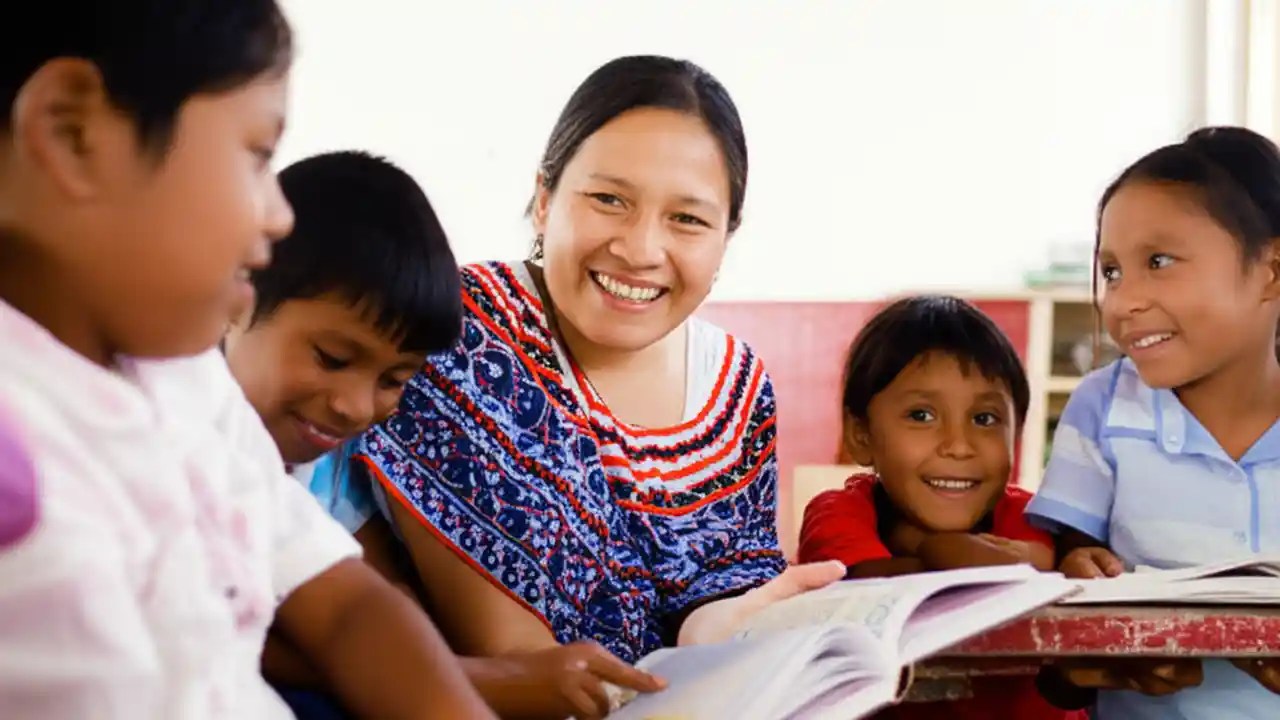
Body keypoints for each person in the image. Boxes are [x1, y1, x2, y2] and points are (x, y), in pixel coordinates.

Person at [0, 3, 493, 718]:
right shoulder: (23, 472)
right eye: (258, 155)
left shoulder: (185, 378)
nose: (279, 214)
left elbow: (346, 604)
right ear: (72, 135)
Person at [354, 53, 844, 683]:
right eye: (609, 199)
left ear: (727, 236)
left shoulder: (740, 387)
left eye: (687, 219)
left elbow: (727, 607)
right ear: (544, 199)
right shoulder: (462, 333)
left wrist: (721, 631)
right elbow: (518, 659)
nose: (640, 250)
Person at [225, 149, 665, 720]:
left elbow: (371, 610)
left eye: (393, 380)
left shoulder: (326, 470)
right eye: (331, 358)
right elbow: (236, 636)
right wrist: (490, 682)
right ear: (235, 297)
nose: (354, 407)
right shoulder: (184, 436)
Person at [1026, 126, 1280, 718]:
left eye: (1158, 262)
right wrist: (1079, 581)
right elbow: (1074, 570)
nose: (1122, 302)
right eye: (1112, 272)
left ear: (1271, 271)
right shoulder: (1103, 409)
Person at [797, 295, 1076, 720]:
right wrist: (945, 550)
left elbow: (1040, 582)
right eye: (921, 415)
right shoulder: (840, 511)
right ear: (860, 434)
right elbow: (871, 593)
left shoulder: (1031, 515)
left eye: (985, 419)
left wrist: (921, 544)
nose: (959, 446)